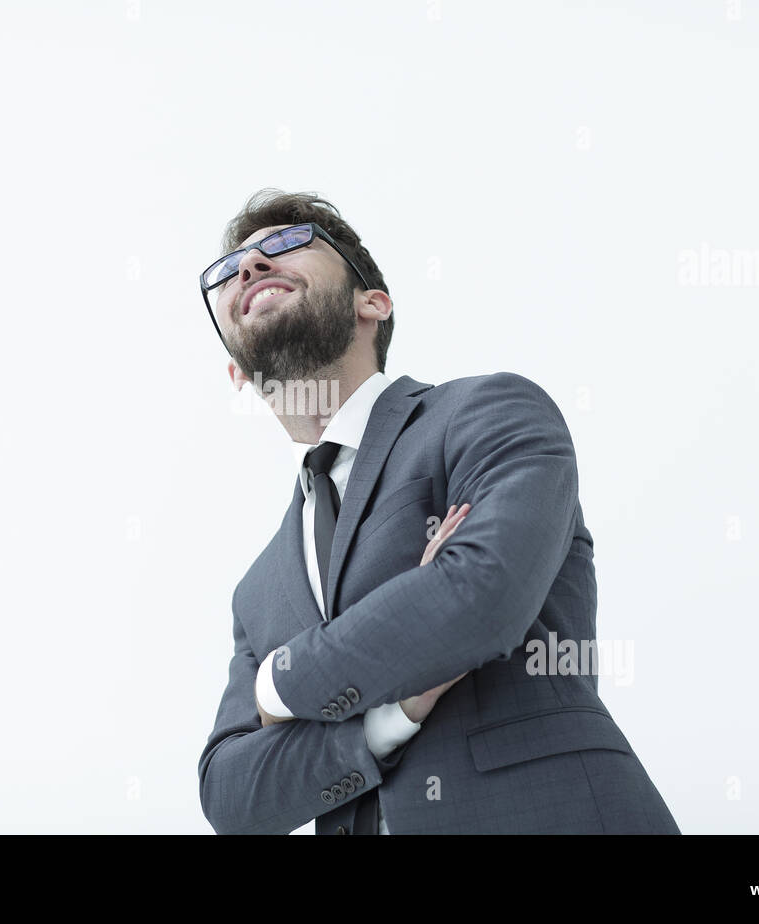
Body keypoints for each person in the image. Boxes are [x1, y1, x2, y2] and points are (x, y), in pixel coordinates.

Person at [195, 189, 680, 835]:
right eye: (227, 273)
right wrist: (391, 713)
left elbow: (481, 595)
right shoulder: (257, 592)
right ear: (236, 371)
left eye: (284, 244)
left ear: (374, 301)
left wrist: (275, 688)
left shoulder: (488, 412)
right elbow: (229, 796)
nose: (249, 268)